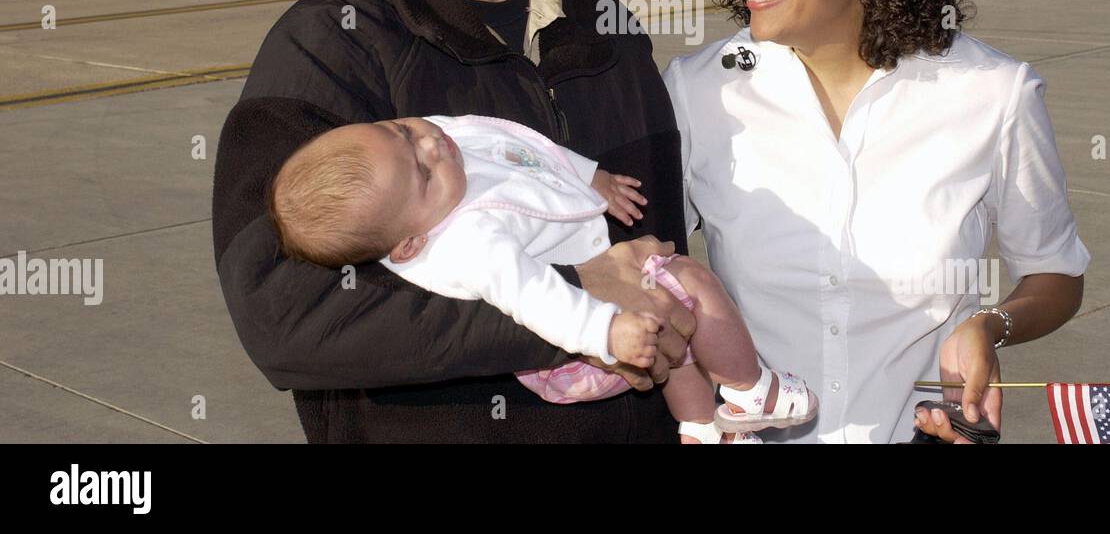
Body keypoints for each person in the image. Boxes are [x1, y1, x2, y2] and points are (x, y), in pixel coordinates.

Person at [212, 0, 695, 443]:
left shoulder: (596, 20)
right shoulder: (327, 50)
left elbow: (656, 235)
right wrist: (569, 301)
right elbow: (285, 315)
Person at [664, 0, 1092, 443]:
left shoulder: (993, 94)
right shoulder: (698, 92)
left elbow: (1056, 274)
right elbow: (648, 282)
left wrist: (989, 326)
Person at [267, 112, 819, 443]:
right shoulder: (469, 243)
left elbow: (517, 150)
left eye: (402, 131)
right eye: (424, 170)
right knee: (690, 283)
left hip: (602, 325)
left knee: (673, 345)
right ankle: (750, 390)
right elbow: (536, 298)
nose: (433, 143)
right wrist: (606, 330)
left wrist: (589, 177)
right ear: (409, 243)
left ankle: (703, 430)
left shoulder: (427, 172)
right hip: (575, 354)